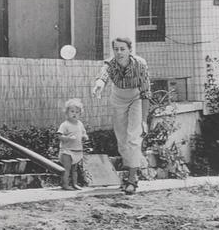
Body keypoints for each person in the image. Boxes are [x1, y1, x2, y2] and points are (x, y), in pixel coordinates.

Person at [91, 37, 151, 195]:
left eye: (122, 49)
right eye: (116, 49)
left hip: (136, 99)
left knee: (133, 137)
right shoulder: (110, 63)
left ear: (130, 50)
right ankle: (135, 165)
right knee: (122, 140)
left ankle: (132, 179)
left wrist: (144, 120)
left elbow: (146, 93)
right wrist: (99, 84)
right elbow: (103, 74)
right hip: (118, 99)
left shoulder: (140, 64)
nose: (119, 52)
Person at [57, 98, 89, 190]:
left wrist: (84, 136)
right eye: (72, 111)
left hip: (77, 150)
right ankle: (65, 184)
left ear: (80, 114)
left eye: (77, 112)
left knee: (74, 169)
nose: (74, 114)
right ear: (67, 112)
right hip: (67, 151)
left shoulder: (80, 124)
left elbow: (83, 133)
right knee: (67, 169)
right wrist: (67, 138)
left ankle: (75, 184)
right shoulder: (65, 124)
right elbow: (59, 136)